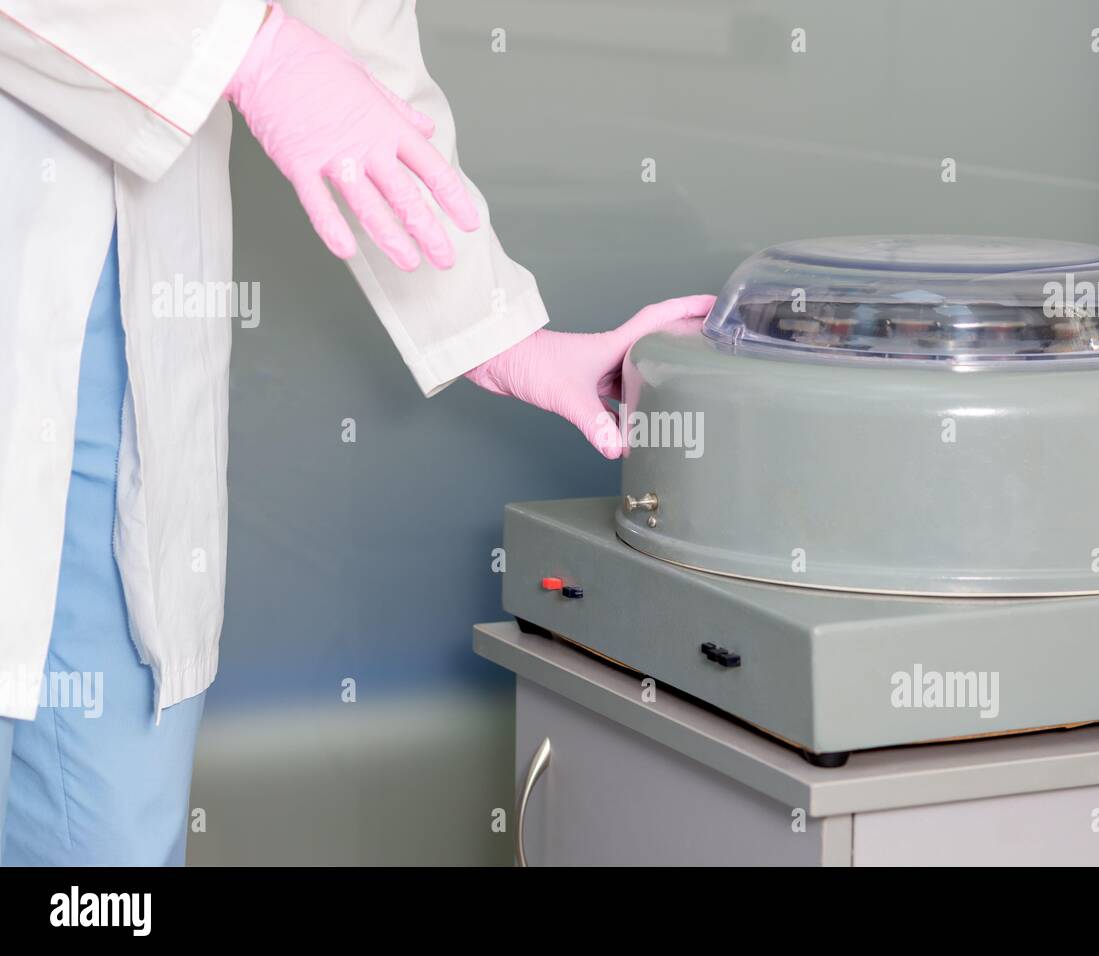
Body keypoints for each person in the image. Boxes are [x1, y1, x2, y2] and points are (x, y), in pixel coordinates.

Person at [0, 0, 714, 865]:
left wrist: (496, 332)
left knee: (104, 861)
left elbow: (354, 37)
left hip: (110, 374)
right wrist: (249, 46)